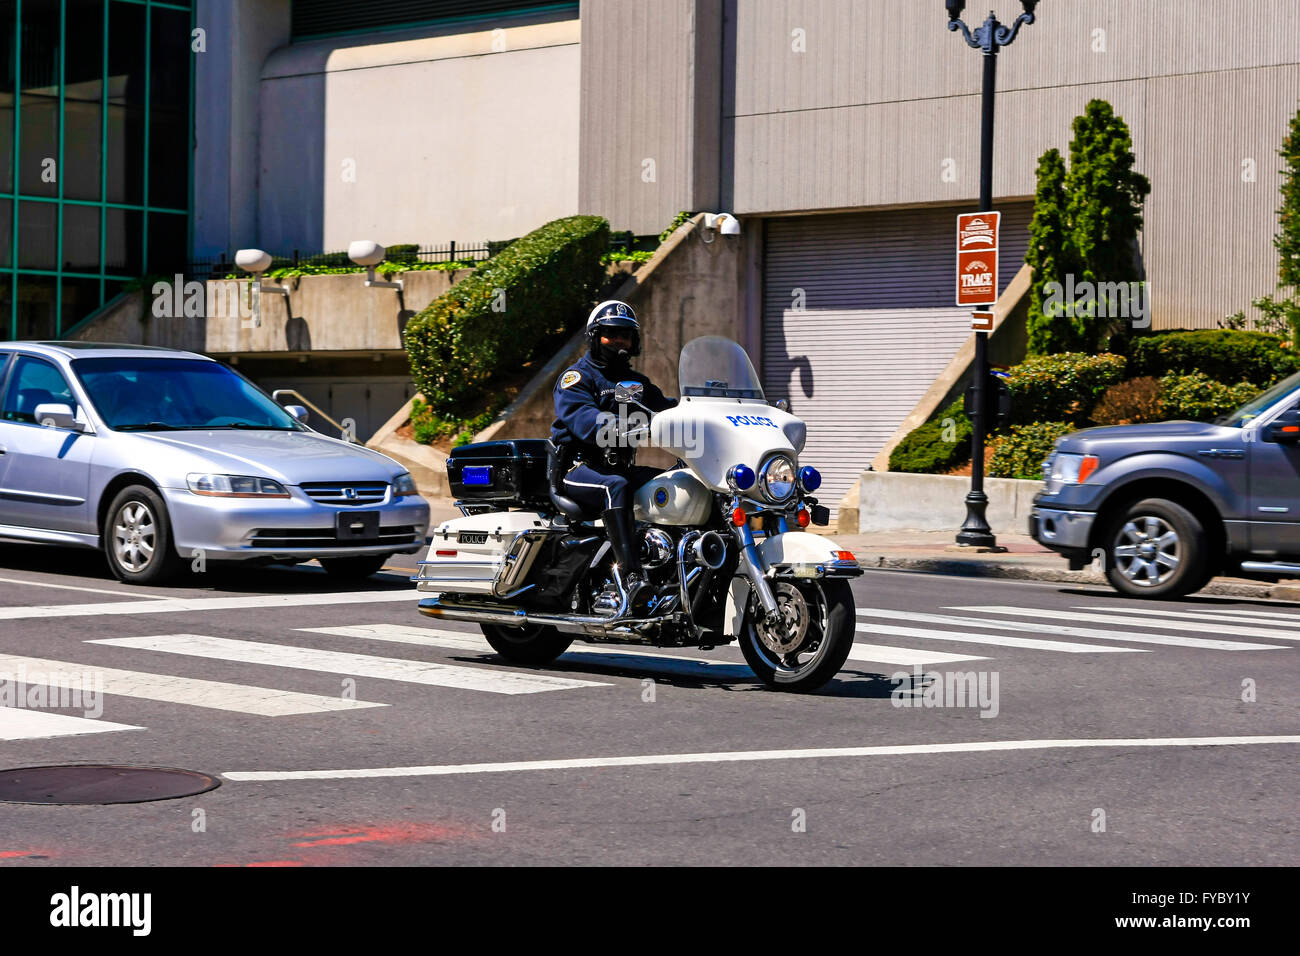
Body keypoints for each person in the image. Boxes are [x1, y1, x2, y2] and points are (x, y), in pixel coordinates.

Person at [551, 300, 677, 612]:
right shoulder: (577, 379)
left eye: (625, 335)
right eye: (611, 334)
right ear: (595, 337)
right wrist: (631, 426)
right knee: (615, 487)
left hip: (619, 467)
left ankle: (671, 568)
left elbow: (668, 409)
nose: (620, 341)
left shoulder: (634, 383)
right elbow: (586, 422)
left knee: (677, 483)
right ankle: (632, 577)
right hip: (577, 469)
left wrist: (701, 409)